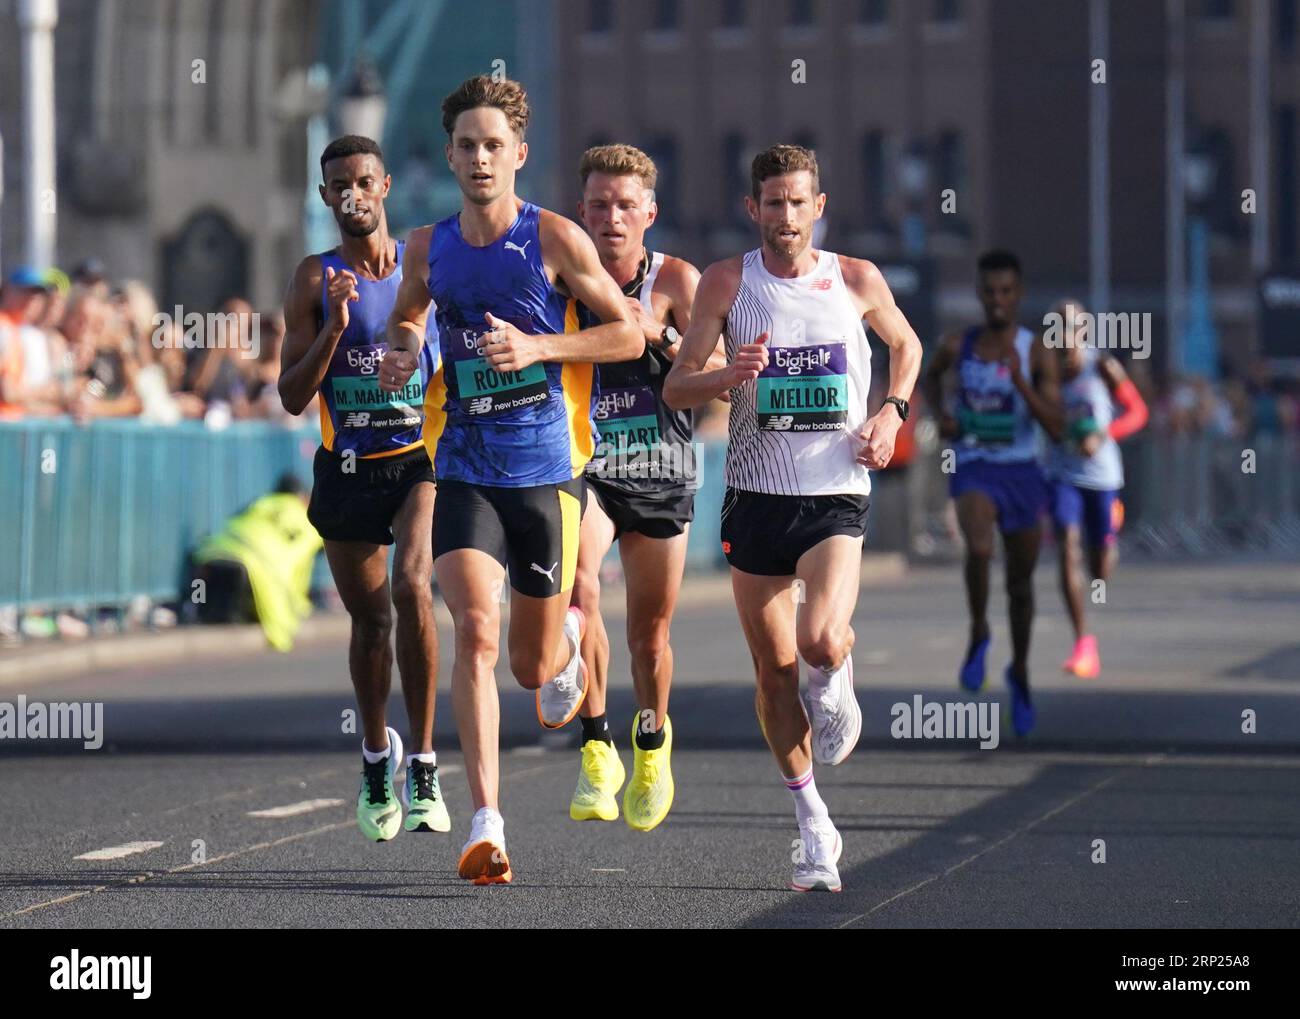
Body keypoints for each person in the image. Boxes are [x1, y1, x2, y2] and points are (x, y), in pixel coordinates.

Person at [382, 75, 641, 884]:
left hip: (546, 476)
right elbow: (411, 312)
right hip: (464, 465)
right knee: (475, 630)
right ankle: (487, 821)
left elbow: (628, 336)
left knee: (529, 667)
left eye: (495, 145)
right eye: (466, 145)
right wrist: (401, 343)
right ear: (451, 155)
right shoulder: (427, 245)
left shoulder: (557, 239)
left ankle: (565, 640)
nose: (480, 158)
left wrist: (539, 349)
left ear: (519, 154)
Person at [663, 144, 922, 893]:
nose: (784, 216)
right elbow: (678, 386)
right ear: (753, 209)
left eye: (796, 202)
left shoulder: (855, 279)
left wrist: (892, 415)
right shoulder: (724, 283)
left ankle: (836, 673)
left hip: (836, 492)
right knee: (773, 674)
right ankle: (813, 824)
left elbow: (905, 344)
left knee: (817, 638)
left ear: (819, 206)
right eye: (771, 203)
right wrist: (728, 375)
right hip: (754, 496)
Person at [279, 135, 448, 842]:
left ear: (383, 187)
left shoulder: (424, 265)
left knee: (413, 586)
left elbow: (449, 348)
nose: (352, 194)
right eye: (338, 185)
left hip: (418, 459)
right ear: (326, 198)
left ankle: (427, 767)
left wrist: (418, 359)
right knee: (372, 620)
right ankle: (378, 754)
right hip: (346, 469)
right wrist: (336, 331)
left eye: (362, 181)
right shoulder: (313, 279)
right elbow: (292, 394)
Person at [560, 143, 727, 830]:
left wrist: (660, 335)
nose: (611, 217)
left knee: (649, 637)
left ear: (649, 213)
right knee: (581, 584)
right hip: (586, 461)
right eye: (599, 204)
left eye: (625, 205)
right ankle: (597, 744)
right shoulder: (562, 277)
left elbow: (720, 368)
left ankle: (651, 743)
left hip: (659, 466)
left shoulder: (678, 281)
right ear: (582, 211)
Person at [921, 251, 1062, 737]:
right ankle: (979, 630)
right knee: (979, 546)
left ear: (1018, 295)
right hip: (976, 465)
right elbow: (929, 375)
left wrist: (1021, 379)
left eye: (1006, 292)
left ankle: (1019, 671)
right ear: (979, 294)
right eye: (989, 292)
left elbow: (1058, 426)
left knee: (1020, 586)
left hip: (1022, 472)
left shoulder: (1037, 349)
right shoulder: (959, 344)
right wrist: (943, 417)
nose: (997, 301)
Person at [1044, 299, 1147, 678]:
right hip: (1062, 474)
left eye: (1069, 329)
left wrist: (1103, 435)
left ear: (1083, 332)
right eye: (1055, 329)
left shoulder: (1102, 367)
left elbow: (1139, 412)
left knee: (1099, 570)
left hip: (1101, 476)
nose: (1063, 337)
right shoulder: (1045, 372)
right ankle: (1083, 643)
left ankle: (1109, 535)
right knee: (1066, 548)